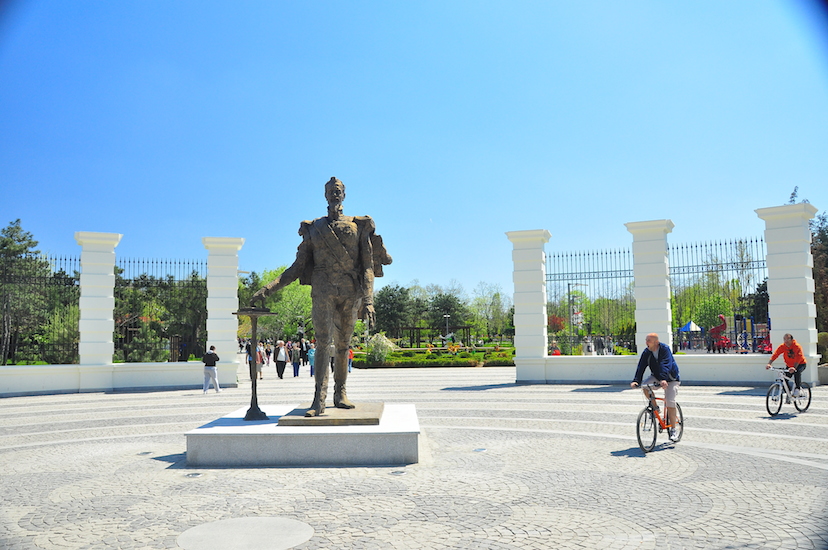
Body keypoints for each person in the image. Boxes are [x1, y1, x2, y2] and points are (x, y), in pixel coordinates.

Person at [252, 177, 392, 417]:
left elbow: (367, 266)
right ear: (325, 195)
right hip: (323, 290)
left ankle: (341, 393)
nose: (334, 194)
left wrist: (368, 301)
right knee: (323, 343)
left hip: (350, 291)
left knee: (343, 345)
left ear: (344, 195)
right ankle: (319, 399)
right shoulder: (314, 228)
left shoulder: (359, 226)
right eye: (330, 191)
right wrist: (269, 288)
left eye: (338, 191)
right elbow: (297, 267)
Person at [630, 333, 681, 442]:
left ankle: (673, 430)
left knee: (670, 402)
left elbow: (665, 364)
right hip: (657, 377)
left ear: (656, 342)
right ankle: (655, 408)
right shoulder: (646, 352)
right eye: (646, 340)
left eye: (649, 340)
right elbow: (641, 366)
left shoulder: (664, 349)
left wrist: (663, 379)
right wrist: (636, 380)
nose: (646, 342)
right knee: (645, 386)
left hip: (671, 378)